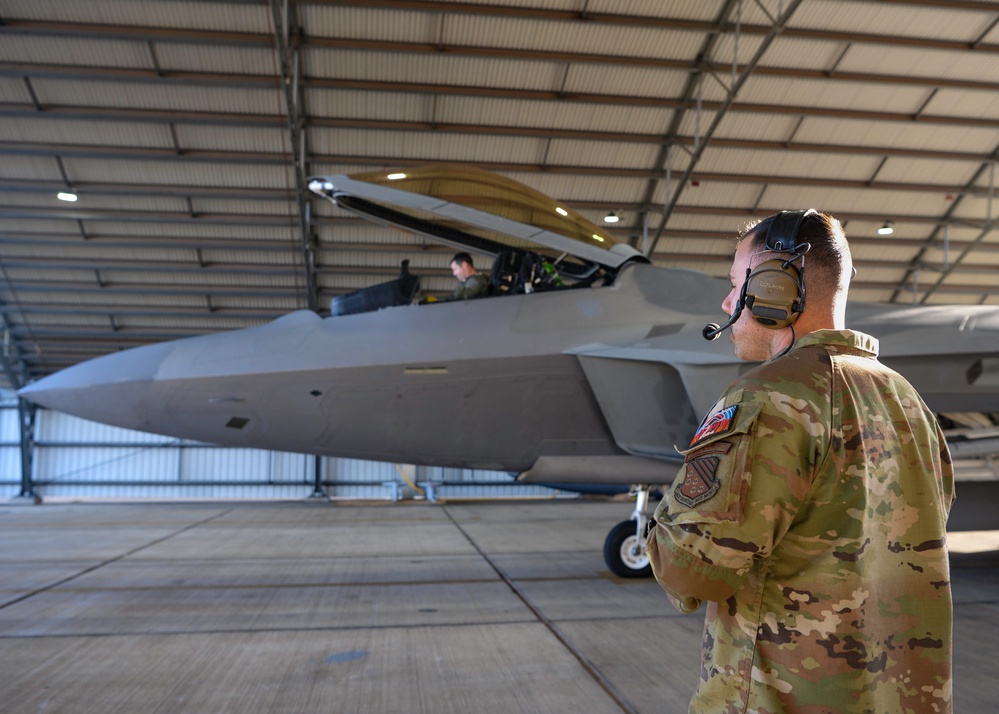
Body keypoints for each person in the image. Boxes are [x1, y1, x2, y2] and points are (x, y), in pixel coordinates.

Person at [646, 210, 954, 713]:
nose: (726, 303)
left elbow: (691, 569)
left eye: (734, 284)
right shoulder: (906, 399)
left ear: (773, 290)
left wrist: (670, 513)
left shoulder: (769, 396)